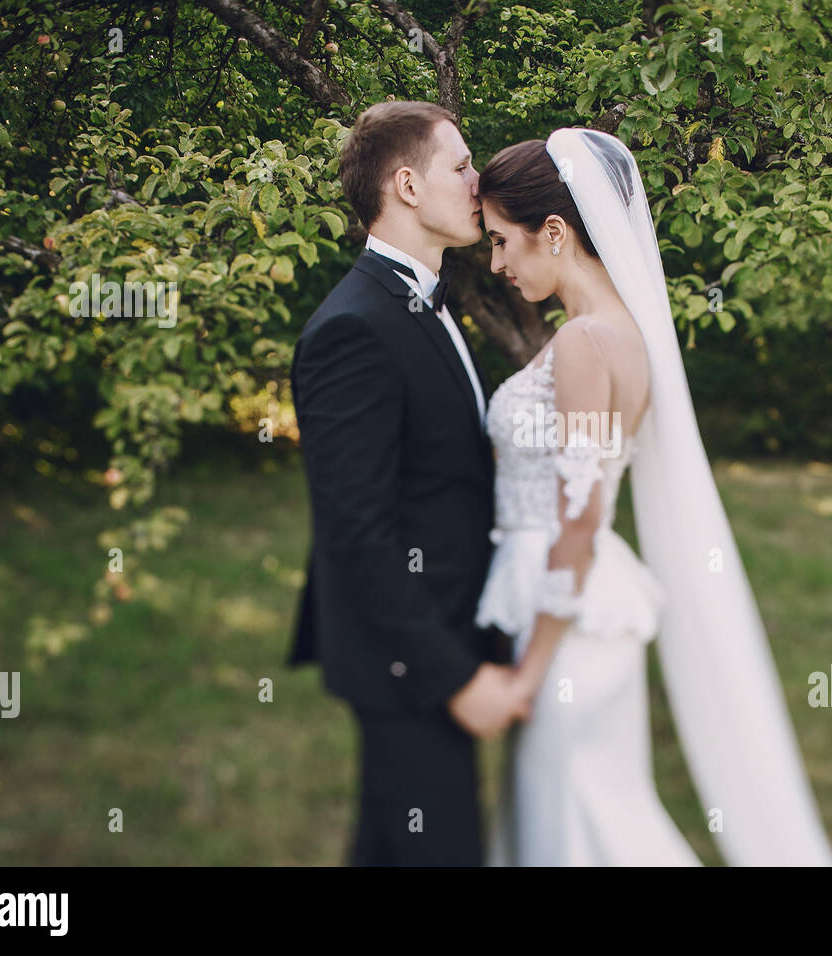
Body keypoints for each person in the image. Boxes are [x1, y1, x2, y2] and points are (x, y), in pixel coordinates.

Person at [474, 129, 832, 866]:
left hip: (567, 625)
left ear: (554, 232)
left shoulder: (583, 345)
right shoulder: (620, 334)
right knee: (600, 814)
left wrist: (528, 674)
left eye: (501, 241)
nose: (496, 263)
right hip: (586, 611)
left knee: (576, 827)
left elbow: (578, 519)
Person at [288, 100, 529, 866]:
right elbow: (356, 533)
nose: (478, 179)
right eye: (460, 165)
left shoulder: (427, 302)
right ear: (408, 186)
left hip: (447, 632)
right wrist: (453, 678)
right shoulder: (352, 329)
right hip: (408, 664)